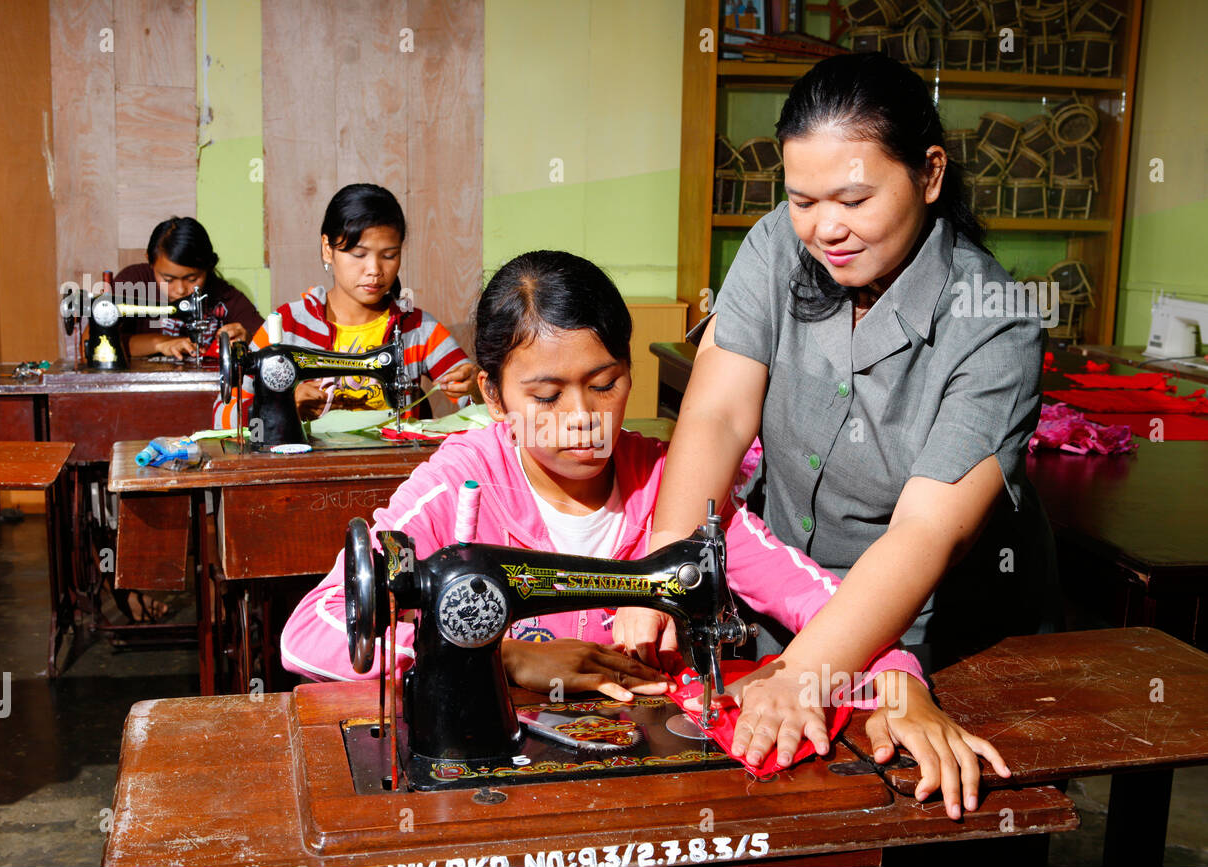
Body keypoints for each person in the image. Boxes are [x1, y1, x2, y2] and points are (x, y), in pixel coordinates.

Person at [278, 250, 1005, 809]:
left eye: (605, 383)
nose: (583, 418)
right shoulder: (458, 487)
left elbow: (829, 606)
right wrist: (494, 659)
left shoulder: (674, 486)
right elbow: (312, 632)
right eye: (544, 394)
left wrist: (901, 684)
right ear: (494, 395)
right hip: (494, 800)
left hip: (649, 801)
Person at [617, 53, 1047, 817]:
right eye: (803, 200)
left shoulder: (994, 321)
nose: (825, 228)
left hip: (916, 632)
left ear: (931, 174)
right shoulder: (779, 247)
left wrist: (805, 676)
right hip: (775, 605)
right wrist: (662, 574)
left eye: (854, 198)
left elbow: (925, 534)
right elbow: (716, 415)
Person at [213, 184, 476, 428]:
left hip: (397, 472)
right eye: (359, 255)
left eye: (389, 255)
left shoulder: (417, 328)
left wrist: (475, 386)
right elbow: (220, 415)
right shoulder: (288, 325)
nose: (374, 270)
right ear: (328, 249)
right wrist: (278, 407)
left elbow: (483, 407)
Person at [117, 216, 262, 360]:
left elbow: (267, 339)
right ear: (150, 261)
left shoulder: (224, 295)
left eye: (192, 279)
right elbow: (103, 340)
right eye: (168, 280)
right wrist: (159, 343)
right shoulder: (134, 283)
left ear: (208, 268)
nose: (180, 290)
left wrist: (249, 340)